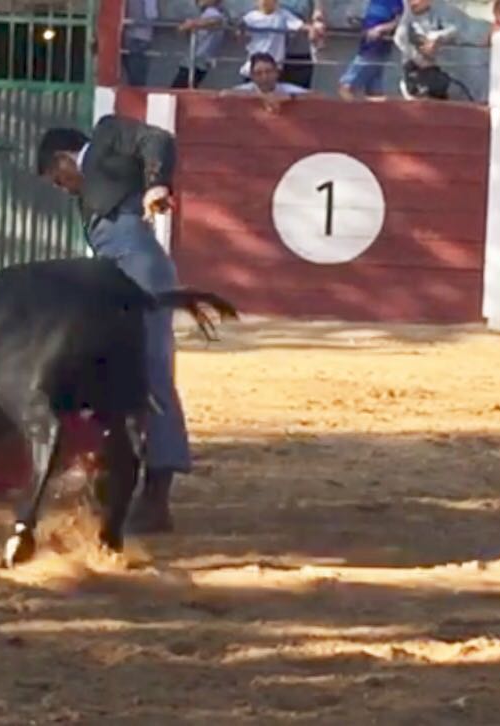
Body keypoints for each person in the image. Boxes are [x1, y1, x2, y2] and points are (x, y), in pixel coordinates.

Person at [35, 117, 190, 534]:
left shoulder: (105, 135)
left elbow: (157, 138)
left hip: (140, 269)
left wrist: (158, 184)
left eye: (56, 177)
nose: (60, 186)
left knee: (151, 372)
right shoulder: (89, 191)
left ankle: (157, 497)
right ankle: (98, 473)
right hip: (112, 274)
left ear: (64, 158)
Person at [239, 0, 321, 80]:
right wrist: (240, 31)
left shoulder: (283, 14)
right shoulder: (251, 16)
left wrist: (312, 30)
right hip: (255, 63)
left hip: (275, 64)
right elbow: (240, 30)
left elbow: (300, 25)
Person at [338, 0, 403, 100]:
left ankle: (353, 113)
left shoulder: (396, 2)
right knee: (375, 94)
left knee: (346, 86)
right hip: (366, 47)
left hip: (375, 50)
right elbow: (363, 20)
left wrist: (380, 29)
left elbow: (400, 22)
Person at [395, 0, 459, 99]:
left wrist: (437, 37)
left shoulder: (435, 14)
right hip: (414, 67)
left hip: (433, 68)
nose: (413, 3)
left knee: (440, 95)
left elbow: (453, 30)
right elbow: (399, 38)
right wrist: (420, 59)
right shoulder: (408, 16)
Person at [225, 51, 309, 111]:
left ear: (276, 72)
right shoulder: (248, 89)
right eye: (258, 73)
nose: (264, 77)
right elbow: (225, 94)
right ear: (252, 76)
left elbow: (316, 95)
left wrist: (290, 97)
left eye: (268, 72)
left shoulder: (286, 89)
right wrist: (261, 96)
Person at [172, 0, 225, 88]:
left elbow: (216, 20)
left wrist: (193, 24)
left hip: (198, 61)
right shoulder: (202, 13)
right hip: (193, 60)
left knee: (178, 90)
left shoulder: (213, 12)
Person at [123, 0, 158, 87]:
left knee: (133, 79)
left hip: (128, 37)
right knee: (137, 81)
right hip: (141, 37)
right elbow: (152, 14)